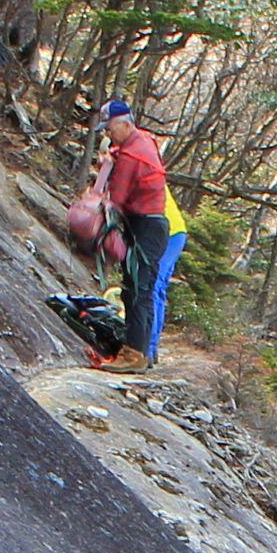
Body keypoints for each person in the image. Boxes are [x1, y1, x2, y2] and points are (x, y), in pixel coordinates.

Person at [82, 100, 183, 370]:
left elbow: (119, 199)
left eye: (111, 129)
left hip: (145, 227)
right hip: (155, 226)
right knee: (144, 289)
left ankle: (134, 354)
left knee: (137, 290)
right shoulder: (142, 142)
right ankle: (143, 353)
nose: (108, 134)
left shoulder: (131, 156)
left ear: (125, 124)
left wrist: (94, 207)